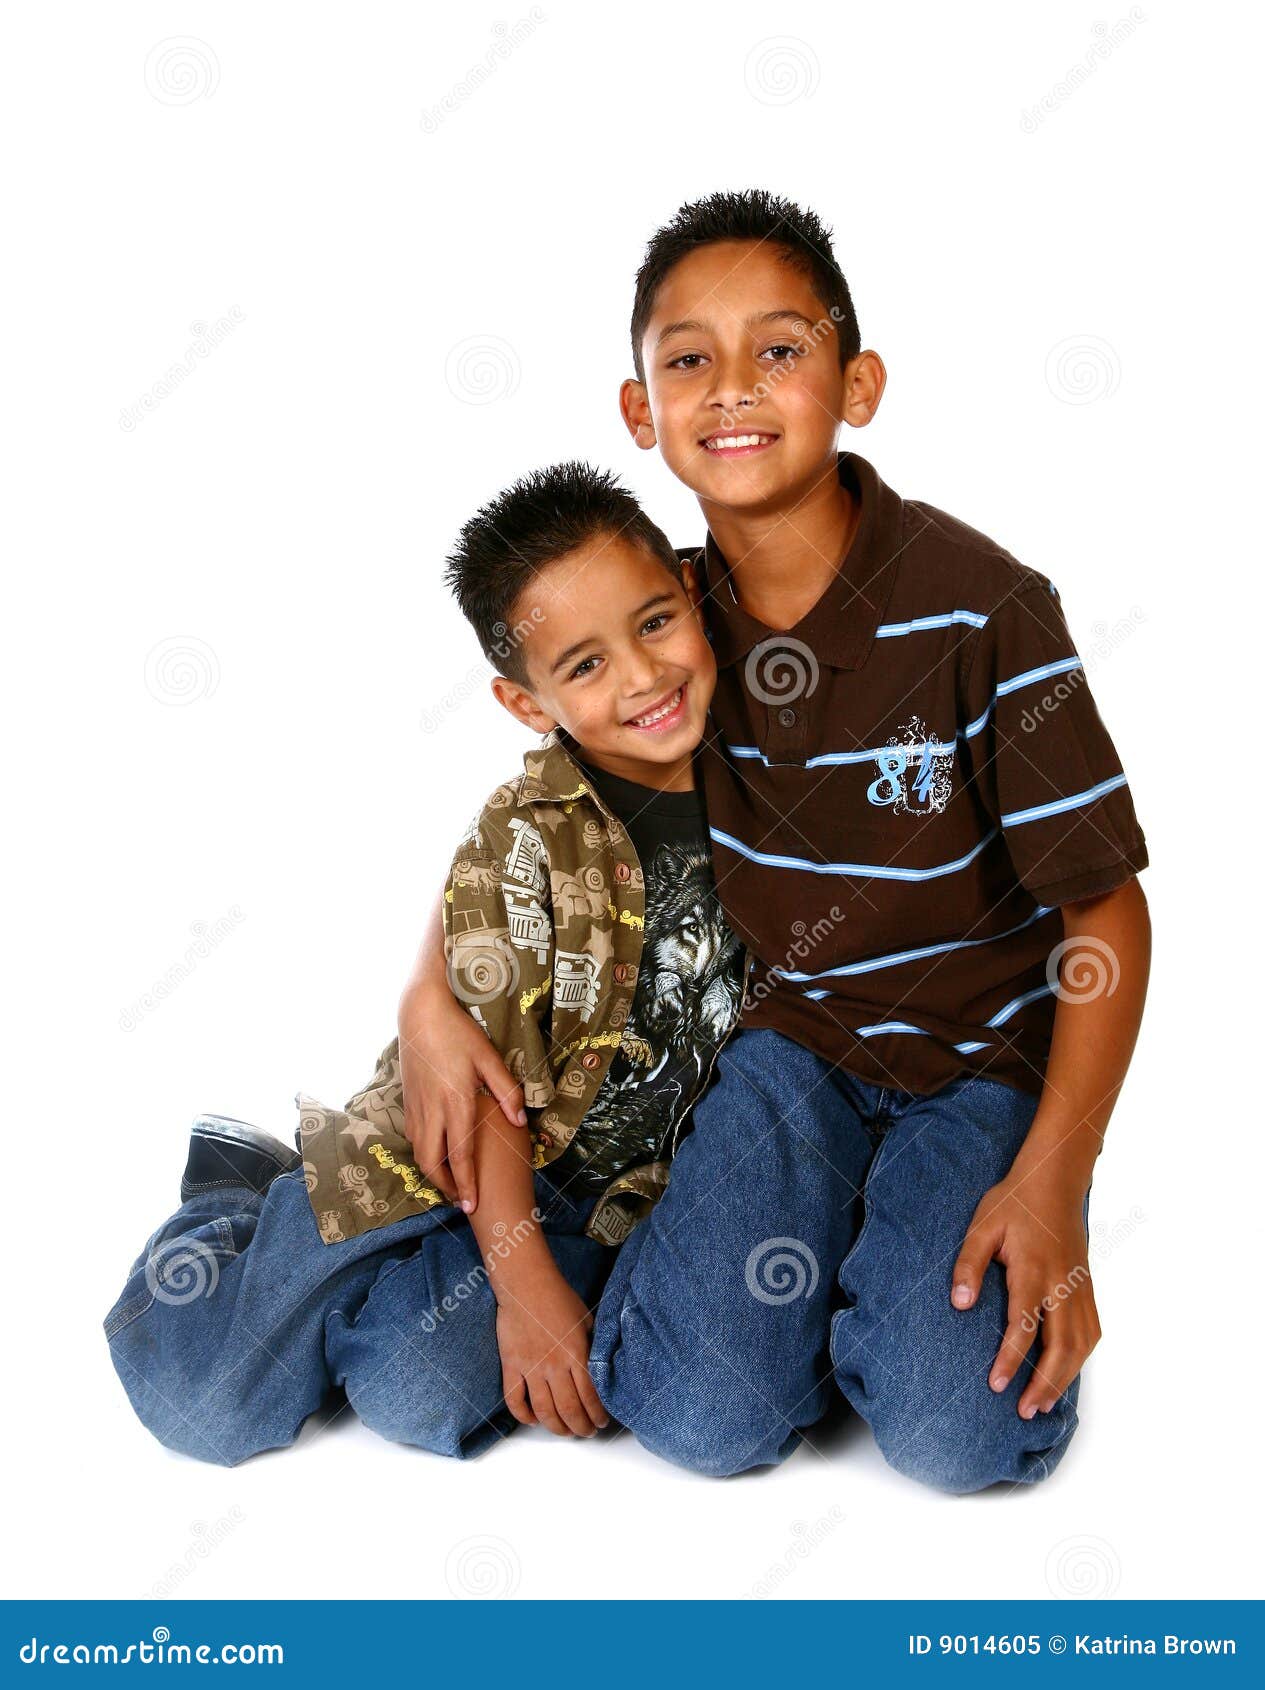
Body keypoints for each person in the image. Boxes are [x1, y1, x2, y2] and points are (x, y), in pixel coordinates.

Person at [397, 191, 1152, 1491]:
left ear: (856, 384)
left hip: (981, 1065)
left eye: (780, 348)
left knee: (958, 1435)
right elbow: (543, 804)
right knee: (697, 1419)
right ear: (641, 411)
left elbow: (1106, 911)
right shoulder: (663, 625)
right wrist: (427, 992)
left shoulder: (985, 610)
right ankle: (772, 1285)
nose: (733, 386)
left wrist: (1053, 1174)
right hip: (786, 1048)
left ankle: (888, 1277)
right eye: (689, 357)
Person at [103, 462, 745, 1464]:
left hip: (601, 1202)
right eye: (583, 665)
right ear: (524, 701)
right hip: (443, 1147)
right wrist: (523, 1291)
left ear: (694, 592)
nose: (640, 676)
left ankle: (388, 1296)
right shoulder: (525, 839)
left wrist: (531, 1285)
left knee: (415, 1383)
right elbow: (487, 1089)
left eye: (655, 623)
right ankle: (236, 1202)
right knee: (209, 1403)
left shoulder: (777, 778)